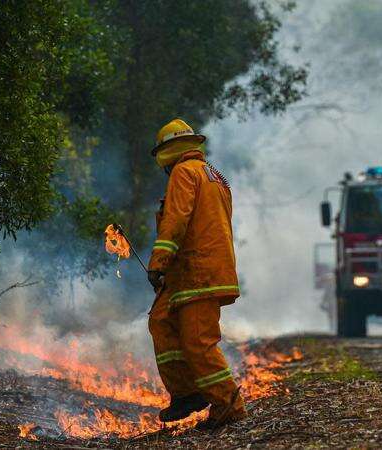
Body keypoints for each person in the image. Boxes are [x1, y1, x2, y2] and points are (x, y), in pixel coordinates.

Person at [146, 118, 246, 430]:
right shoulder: (212, 174)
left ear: (166, 154)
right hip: (194, 272)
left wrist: (158, 262)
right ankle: (187, 394)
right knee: (161, 320)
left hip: (197, 273)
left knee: (198, 342)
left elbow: (175, 221)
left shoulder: (183, 172)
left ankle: (229, 404)